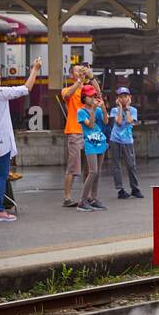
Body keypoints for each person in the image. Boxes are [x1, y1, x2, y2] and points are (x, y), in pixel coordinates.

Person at [0, 58, 42, 222]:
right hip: (0, 139)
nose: (0, 78)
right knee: (1, 175)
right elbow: (26, 88)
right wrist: (35, 68)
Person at [60, 64, 98, 208]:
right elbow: (66, 95)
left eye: (82, 70)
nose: (80, 72)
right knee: (73, 166)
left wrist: (90, 77)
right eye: (77, 70)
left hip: (88, 131)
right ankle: (67, 197)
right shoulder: (68, 89)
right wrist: (79, 82)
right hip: (74, 131)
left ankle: (87, 195)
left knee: (90, 166)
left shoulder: (87, 90)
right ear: (71, 75)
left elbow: (98, 93)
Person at [76, 85, 109, 212]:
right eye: (90, 96)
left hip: (101, 142)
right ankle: (83, 200)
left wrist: (103, 108)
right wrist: (94, 110)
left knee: (98, 172)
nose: (92, 98)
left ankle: (93, 198)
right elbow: (90, 125)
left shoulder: (98, 110)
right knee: (93, 171)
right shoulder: (81, 112)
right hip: (90, 143)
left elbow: (106, 122)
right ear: (84, 97)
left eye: (93, 95)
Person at [109, 87, 143, 200]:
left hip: (127, 140)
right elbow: (118, 122)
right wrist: (119, 107)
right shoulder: (114, 110)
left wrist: (127, 108)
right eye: (120, 97)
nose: (123, 99)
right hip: (115, 139)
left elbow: (129, 121)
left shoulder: (133, 110)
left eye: (125, 96)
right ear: (117, 98)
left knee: (131, 165)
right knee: (116, 165)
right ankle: (120, 189)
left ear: (129, 97)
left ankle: (135, 188)